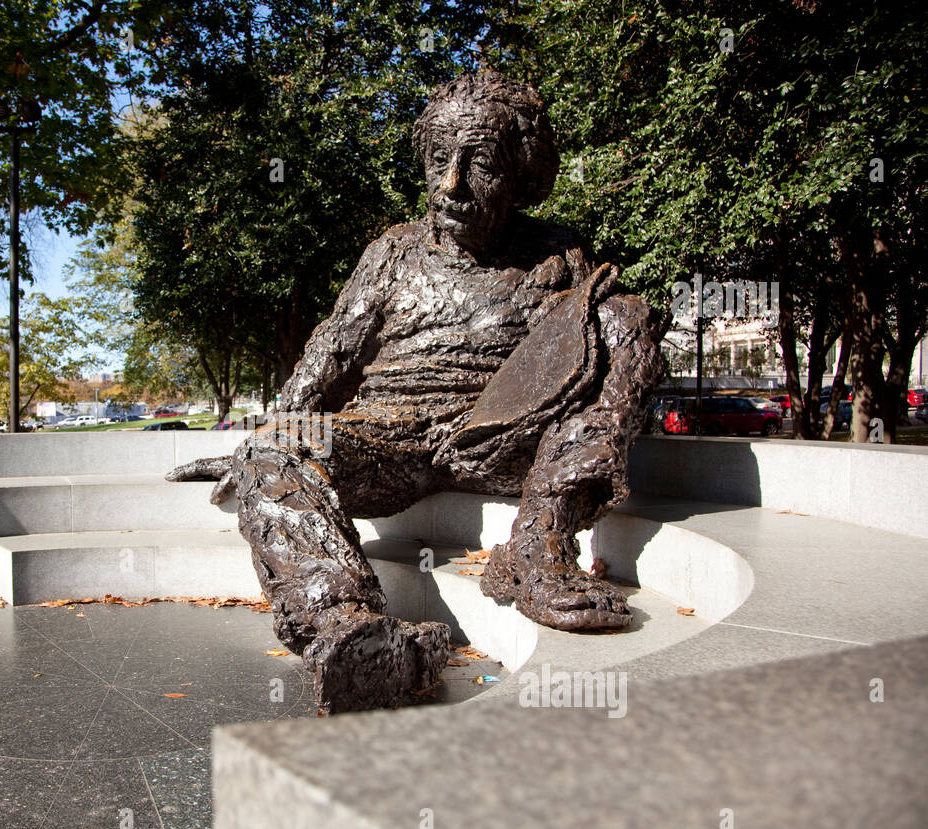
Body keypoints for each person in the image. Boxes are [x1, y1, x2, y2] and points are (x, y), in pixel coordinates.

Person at [170, 72, 662, 712]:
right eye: (439, 160)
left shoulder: (557, 255)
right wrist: (272, 441)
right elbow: (333, 348)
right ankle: (351, 629)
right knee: (277, 450)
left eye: (479, 163)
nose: (452, 184)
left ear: (521, 174)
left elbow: (578, 364)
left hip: (499, 439)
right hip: (385, 436)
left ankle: (540, 546)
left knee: (627, 317)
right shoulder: (392, 252)